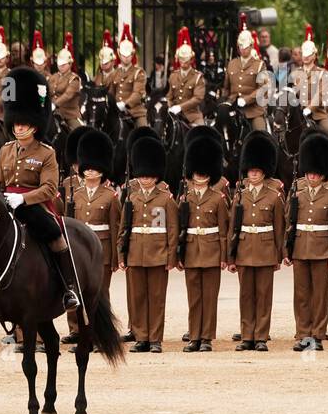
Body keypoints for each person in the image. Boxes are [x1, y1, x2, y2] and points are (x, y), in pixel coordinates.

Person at [0, 67, 81, 311]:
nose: (19, 128)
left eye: (24, 124)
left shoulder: (46, 152)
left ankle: (68, 288)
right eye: (16, 124)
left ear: (35, 125)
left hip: (33, 206)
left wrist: (22, 200)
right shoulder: (5, 150)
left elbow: (50, 188)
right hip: (6, 203)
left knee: (53, 233)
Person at [121, 134, 177, 353]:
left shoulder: (165, 199)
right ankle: (141, 337)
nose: (144, 179)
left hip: (157, 253)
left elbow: (171, 230)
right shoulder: (131, 198)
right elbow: (125, 229)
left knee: (156, 298)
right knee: (138, 298)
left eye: (148, 176)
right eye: (141, 175)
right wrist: (121, 254)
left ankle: (155, 338)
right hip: (135, 252)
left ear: (155, 177)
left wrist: (171, 257)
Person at [285, 132, 328, 351]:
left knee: (319, 293)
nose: (312, 177)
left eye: (316, 174)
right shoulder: (297, 194)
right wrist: (287, 250)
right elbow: (290, 224)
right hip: (300, 247)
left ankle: (317, 334)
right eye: (309, 173)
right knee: (301, 294)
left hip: (321, 249)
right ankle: (303, 332)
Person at [229, 131, 284, 350]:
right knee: (246, 295)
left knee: (263, 295)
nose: (253, 174)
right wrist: (231, 255)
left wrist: (280, 255)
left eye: (257, 171)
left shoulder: (274, 196)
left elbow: (279, 227)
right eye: (250, 170)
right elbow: (233, 226)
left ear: (264, 172)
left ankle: (261, 336)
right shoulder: (239, 195)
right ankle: (247, 335)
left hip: (265, 249)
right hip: (244, 249)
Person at [178, 131, 226, 353]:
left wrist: (224, 257)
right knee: (194, 297)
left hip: (211, 250)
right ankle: (194, 335)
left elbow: (224, 231)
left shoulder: (218, 199)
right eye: (196, 172)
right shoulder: (185, 197)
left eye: (204, 173)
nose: (200, 176)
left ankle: (206, 336)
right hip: (190, 250)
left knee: (209, 297)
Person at [225, 15, 271, 132]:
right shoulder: (231, 64)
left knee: (260, 134)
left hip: (253, 110)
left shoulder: (260, 64)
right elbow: (226, 88)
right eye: (240, 46)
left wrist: (246, 99)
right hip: (233, 108)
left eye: (245, 47)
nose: (243, 49)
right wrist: (225, 102)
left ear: (251, 46)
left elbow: (264, 88)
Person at [167, 28, 206, 125]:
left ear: (191, 60)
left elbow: (197, 98)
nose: (183, 62)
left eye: (186, 60)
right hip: (174, 115)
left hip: (192, 116)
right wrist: (170, 106)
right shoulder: (173, 76)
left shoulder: (198, 77)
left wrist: (180, 107)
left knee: (200, 133)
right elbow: (169, 96)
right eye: (181, 59)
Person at [47, 33, 83, 130]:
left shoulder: (74, 79)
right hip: (53, 112)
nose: (61, 67)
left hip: (69, 114)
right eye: (59, 64)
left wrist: (54, 104)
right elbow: (47, 92)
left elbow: (68, 95)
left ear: (70, 64)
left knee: (78, 133)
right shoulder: (53, 77)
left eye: (64, 64)